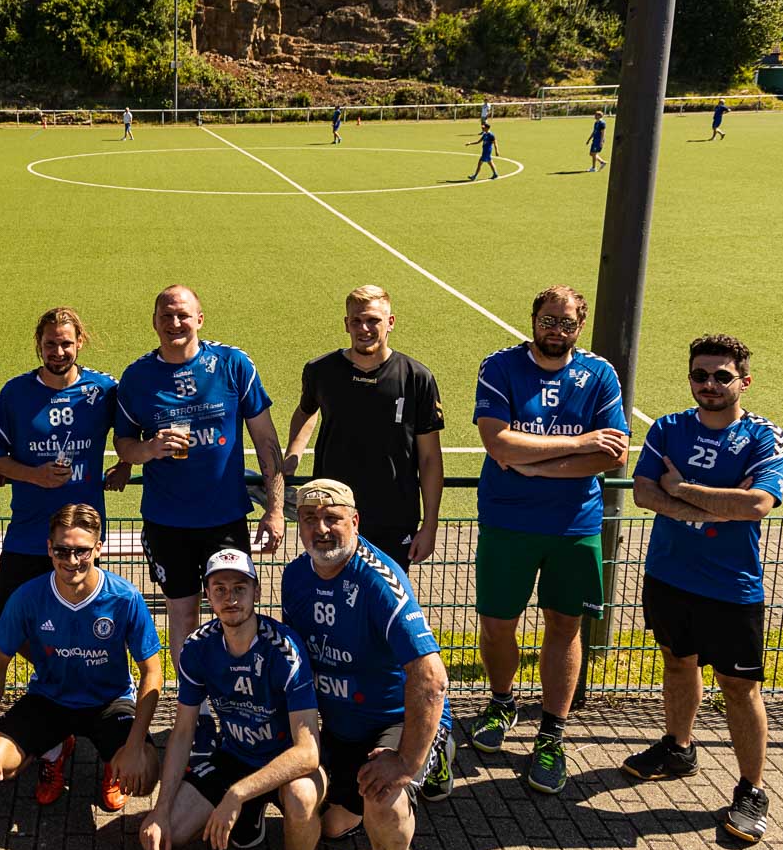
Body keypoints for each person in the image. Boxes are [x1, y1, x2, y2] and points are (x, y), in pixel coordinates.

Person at [466, 284, 628, 794]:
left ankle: (552, 733)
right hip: (507, 521)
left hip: (574, 526)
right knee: (497, 625)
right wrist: (578, 443)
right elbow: (499, 442)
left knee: (565, 625)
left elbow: (615, 455)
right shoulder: (499, 366)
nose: (556, 331)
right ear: (533, 319)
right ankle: (501, 702)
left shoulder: (599, 373)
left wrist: (535, 465)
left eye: (567, 323)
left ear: (579, 327)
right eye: (548, 320)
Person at [626, 334, 783, 844]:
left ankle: (752, 788)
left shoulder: (765, 437)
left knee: (739, 688)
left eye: (721, 376)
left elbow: (757, 505)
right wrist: (712, 504)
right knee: (678, 662)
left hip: (732, 587)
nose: (710, 385)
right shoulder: (669, 428)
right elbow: (642, 492)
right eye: (700, 375)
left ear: (744, 380)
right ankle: (678, 747)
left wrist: (683, 490)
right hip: (669, 576)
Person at [114, 284, 285, 756]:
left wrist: (274, 508)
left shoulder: (233, 365)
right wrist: (149, 449)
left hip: (225, 519)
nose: (175, 322)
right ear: (155, 322)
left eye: (183, 314)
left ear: (200, 318)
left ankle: (239, 702)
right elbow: (124, 445)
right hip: (168, 522)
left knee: (235, 613)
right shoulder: (138, 377)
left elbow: (266, 441)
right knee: (183, 615)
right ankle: (198, 709)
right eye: (166, 315)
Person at [281, 480, 450, 850]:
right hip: (339, 722)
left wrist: (406, 761)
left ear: (354, 521)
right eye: (310, 519)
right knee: (331, 827)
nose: (321, 529)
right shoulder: (295, 575)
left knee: (384, 798)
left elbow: (431, 680)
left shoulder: (379, 581)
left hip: (394, 719)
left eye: (333, 518)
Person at [138, 549, 324, 850]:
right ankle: (249, 818)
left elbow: (308, 751)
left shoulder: (284, 649)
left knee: (303, 798)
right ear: (207, 596)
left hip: (286, 762)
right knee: (168, 834)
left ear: (256, 592)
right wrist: (159, 809)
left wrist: (236, 794)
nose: (230, 598)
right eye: (219, 589)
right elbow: (182, 732)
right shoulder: (197, 648)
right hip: (236, 755)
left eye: (240, 587)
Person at [0, 504, 161, 812]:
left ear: (99, 547)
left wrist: (135, 746)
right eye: (62, 550)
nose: (71, 561)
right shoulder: (28, 597)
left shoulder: (124, 598)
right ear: (49, 548)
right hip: (49, 699)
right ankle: (55, 749)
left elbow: (152, 671)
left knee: (146, 774)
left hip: (109, 702)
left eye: (82, 551)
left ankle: (116, 761)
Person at [0, 307, 129, 629]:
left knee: (79, 628)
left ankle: (68, 679)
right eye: (50, 344)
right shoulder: (17, 392)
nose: (58, 352)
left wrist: (126, 465)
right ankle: (45, 679)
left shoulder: (103, 390)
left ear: (79, 343)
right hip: (27, 533)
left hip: (80, 541)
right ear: (39, 344)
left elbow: (132, 431)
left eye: (65, 344)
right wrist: (34, 475)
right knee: (8, 627)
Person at [283, 285, 444, 568]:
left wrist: (430, 526)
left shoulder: (417, 377)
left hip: (394, 518)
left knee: (386, 603)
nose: (364, 328)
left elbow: (430, 458)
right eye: (356, 321)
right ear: (346, 324)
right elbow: (306, 412)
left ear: (390, 322)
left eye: (373, 320)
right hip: (331, 513)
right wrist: (291, 460)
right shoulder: (321, 371)